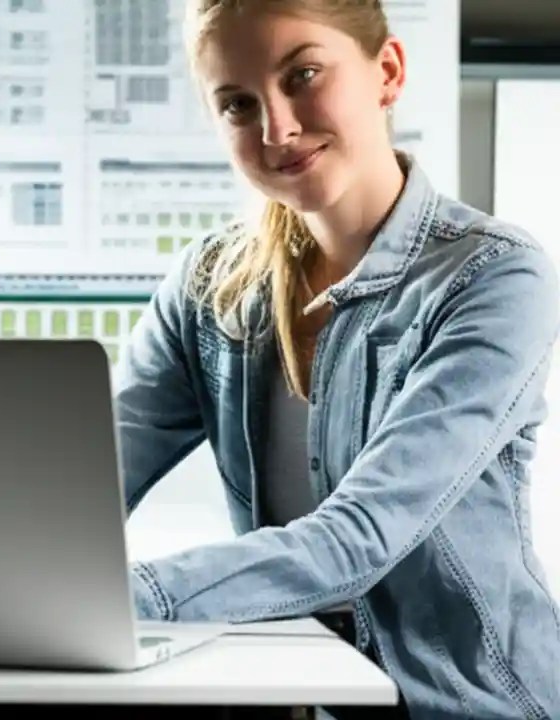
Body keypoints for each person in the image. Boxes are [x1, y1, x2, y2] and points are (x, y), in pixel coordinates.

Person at [114, 1, 560, 718]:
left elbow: (358, 540)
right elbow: (80, 481)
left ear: (386, 72)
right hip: (301, 697)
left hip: (472, 706)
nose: (277, 128)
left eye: (304, 74)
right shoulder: (209, 286)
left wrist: (116, 597)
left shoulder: (494, 277)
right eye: (237, 103)